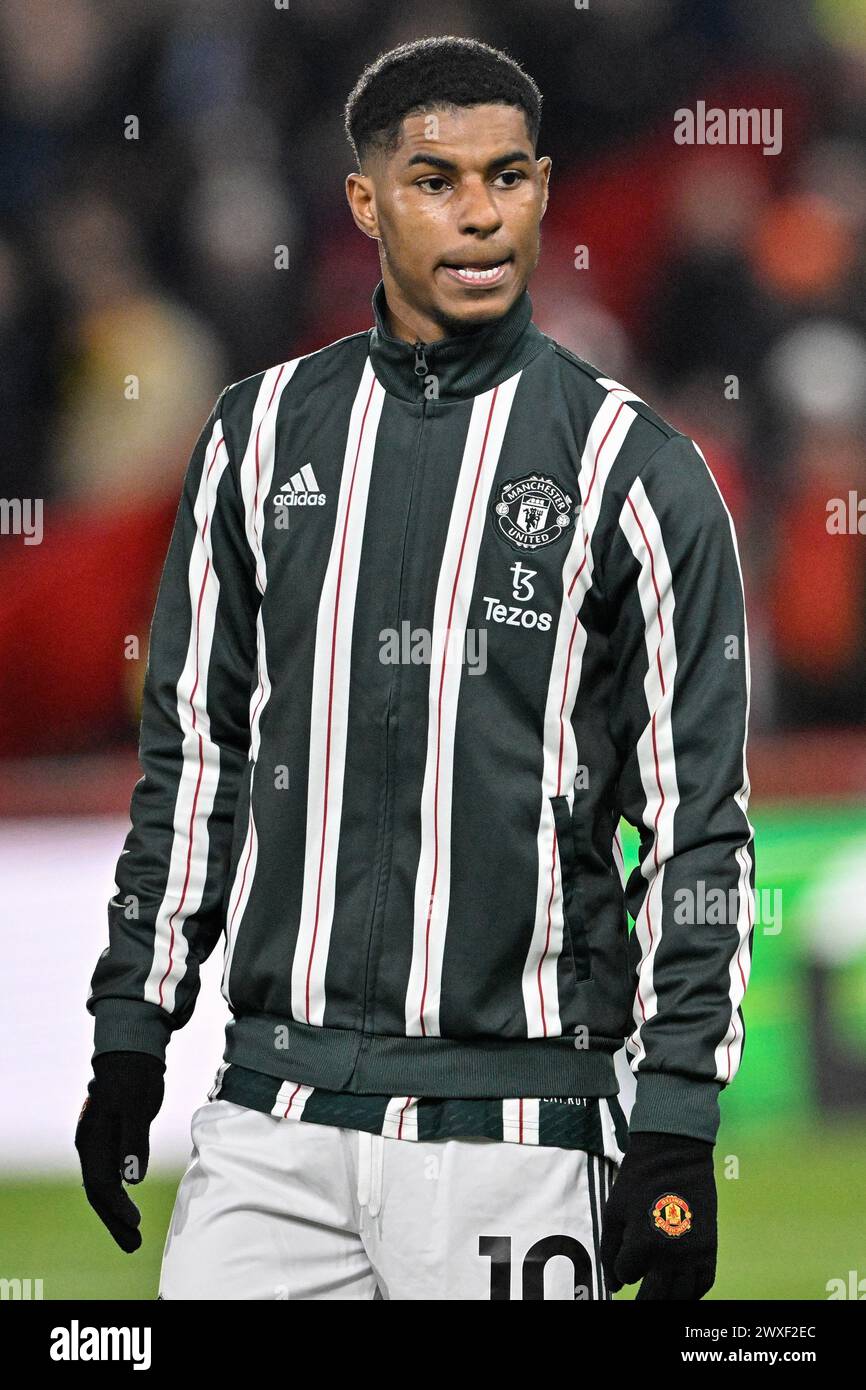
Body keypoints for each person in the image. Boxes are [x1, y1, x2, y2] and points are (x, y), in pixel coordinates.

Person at [75, 35, 756, 1301]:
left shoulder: (638, 476)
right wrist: (131, 1040)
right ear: (364, 201)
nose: (479, 212)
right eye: (435, 179)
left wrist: (672, 1126)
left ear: (545, 189)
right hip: (272, 1124)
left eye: (506, 176)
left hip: (520, 1135)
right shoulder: (256, 437)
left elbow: (693, 827)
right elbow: (197, 766)